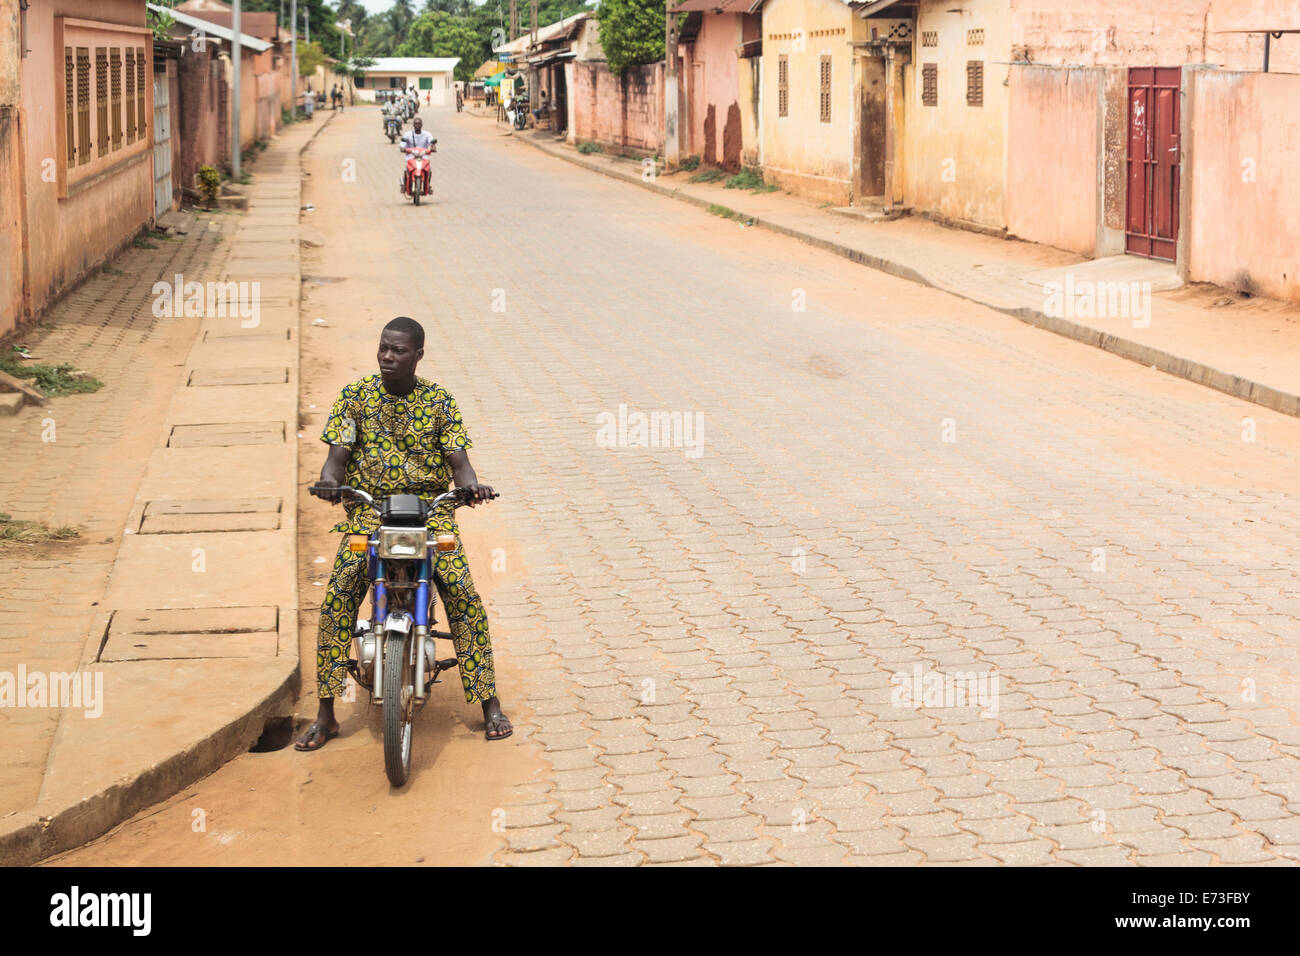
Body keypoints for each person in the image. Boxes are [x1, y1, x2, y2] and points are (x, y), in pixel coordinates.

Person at [296, 317, 512, 750]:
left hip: (431, 515)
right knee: (338, 597)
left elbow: (459, 462)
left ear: (418, 355)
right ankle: (326, 713)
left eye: (398, 351)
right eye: (383, 348)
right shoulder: (355, 398)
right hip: (370, 514)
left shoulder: (439, 401)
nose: (387, 357)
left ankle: (489, 704)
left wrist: (470, 486)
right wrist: (328, 482)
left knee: (464, 596)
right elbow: (335, 459)